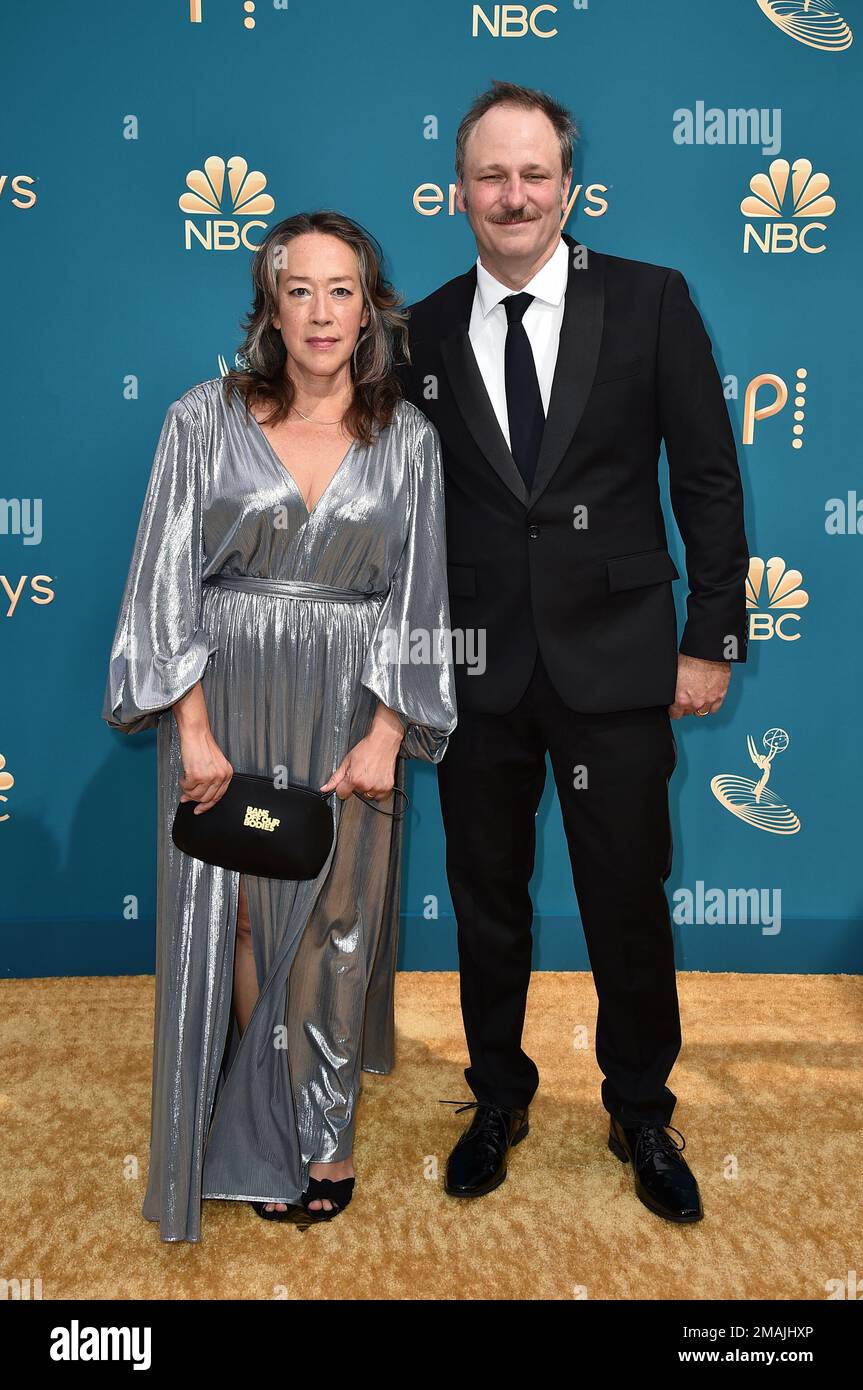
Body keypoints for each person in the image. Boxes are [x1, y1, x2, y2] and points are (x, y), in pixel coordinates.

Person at [397, 81, 749, 1223]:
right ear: (458, 193)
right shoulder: (423, 331)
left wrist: (709, 637)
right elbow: (398, 512)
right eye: (491, 175)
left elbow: (703, 477)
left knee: (624, 898)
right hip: (475, 668)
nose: (513, 194)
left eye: (533, 173)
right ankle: (496, 1094)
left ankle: (639, 1108)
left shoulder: (648, 300)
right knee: (486, 896)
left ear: (566, 185)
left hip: (618, 661)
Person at [102, 210, 456, 1242]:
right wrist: (194, 729)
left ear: (369, 307)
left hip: (350, 706)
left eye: (339, 289)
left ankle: (322, 1125)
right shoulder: (198, 419)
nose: (319, 311)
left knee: (332, 927)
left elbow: (418, 600)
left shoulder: (407, 442)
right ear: (268, 303)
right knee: (242, 916)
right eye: (297, 288)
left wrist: (390, 732)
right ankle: (262, 1121)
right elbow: (164, 585)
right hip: (224, 698)